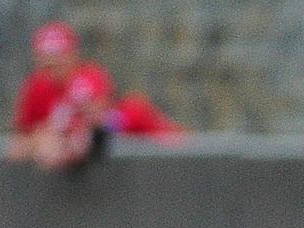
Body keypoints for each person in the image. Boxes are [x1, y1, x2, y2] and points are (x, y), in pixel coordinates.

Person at [10, 21, 182, 172]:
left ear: (72, 54)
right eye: (48, 59)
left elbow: (92, 126)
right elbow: (21, 142)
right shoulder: (37, 86)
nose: (54, 65)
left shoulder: (89, 79)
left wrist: (61, 140)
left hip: (163, 156)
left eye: (59, 57)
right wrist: (42, 140)